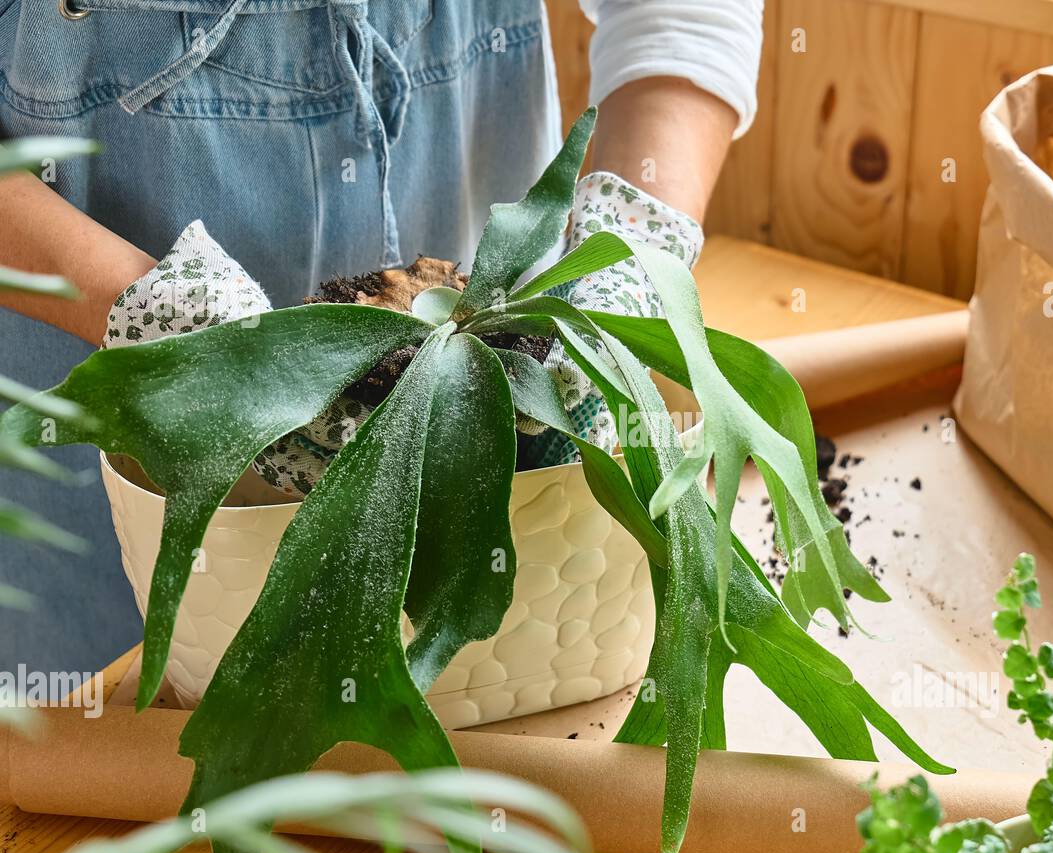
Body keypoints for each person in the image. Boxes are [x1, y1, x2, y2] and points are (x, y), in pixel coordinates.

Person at [0, 0, 763, 672]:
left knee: (476, 694)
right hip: (89, 395)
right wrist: (157, 314)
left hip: (484, 408)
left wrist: (634, 246)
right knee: (110, 754)